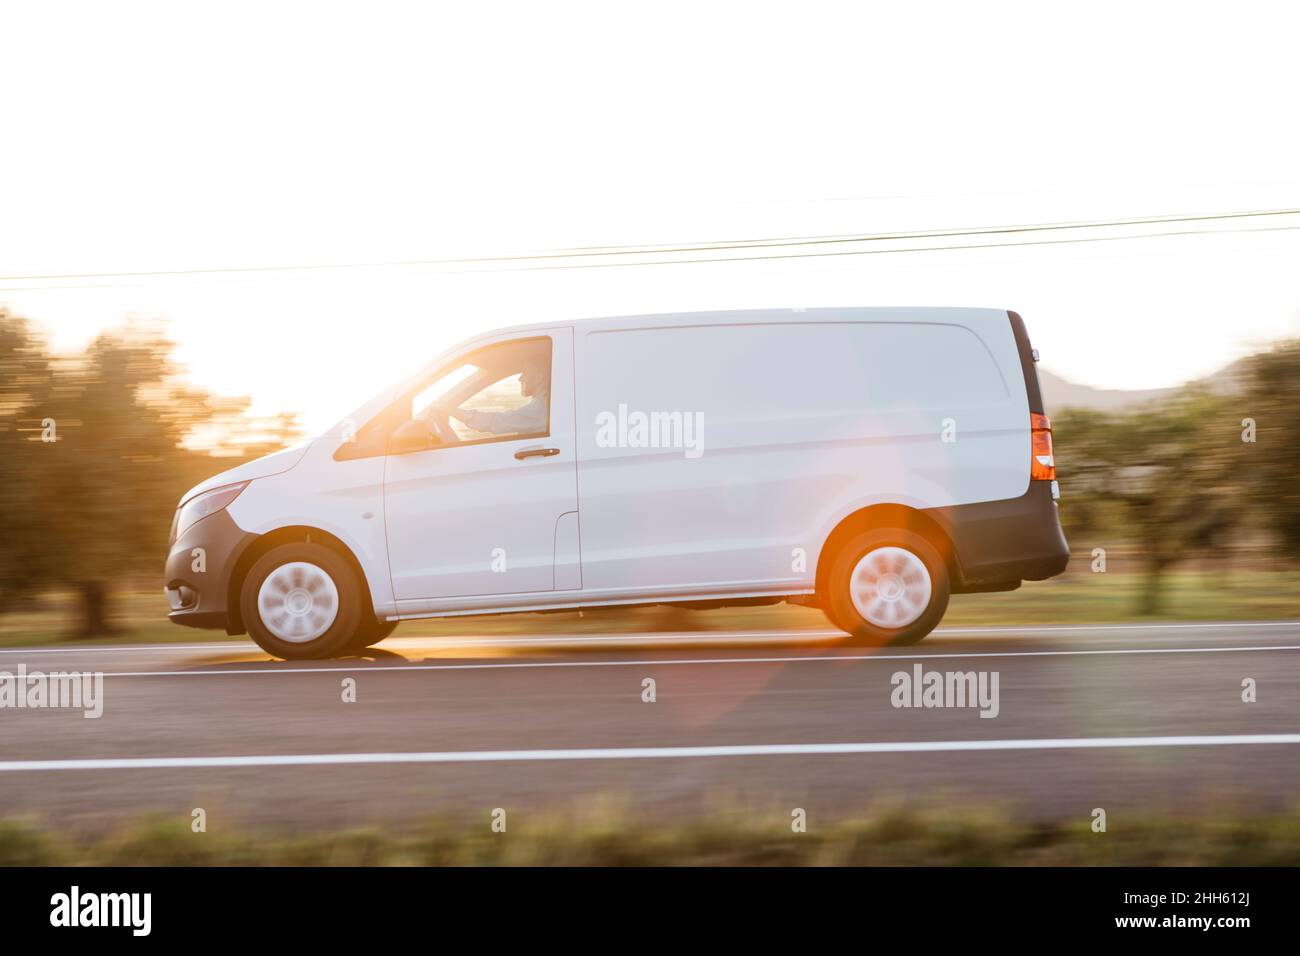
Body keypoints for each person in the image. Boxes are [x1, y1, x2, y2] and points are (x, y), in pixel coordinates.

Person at [434, 356, 549, 439]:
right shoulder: (544, 406)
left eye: (525, 373)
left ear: (539, 377)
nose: (520, 379)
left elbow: (496, 421)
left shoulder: (540, 409)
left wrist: (450, 410)